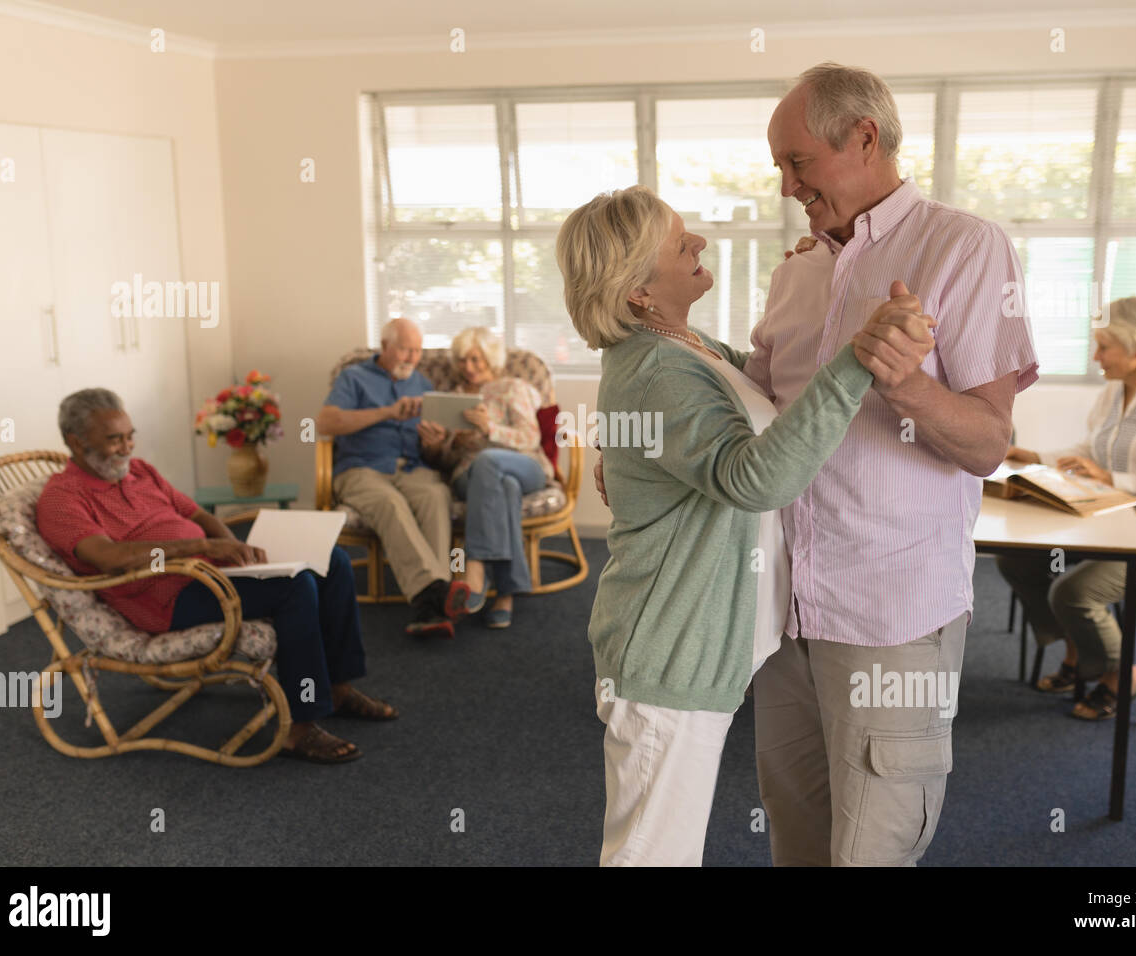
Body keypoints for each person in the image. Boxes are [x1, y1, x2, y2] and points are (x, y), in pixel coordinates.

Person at [596, 62, 1039, 866]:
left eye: (796, 162)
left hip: (889, 616)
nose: (785, 185)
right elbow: (746, 407)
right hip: (782, 616)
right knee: (795, 840)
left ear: (864, 138)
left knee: (872, 850)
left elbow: (987, 442)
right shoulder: (799, 268)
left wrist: (902, 384)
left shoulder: (964, 248)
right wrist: (628, 442)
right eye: (779, 167)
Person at [558, 183, 937, 866]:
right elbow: (755, 477)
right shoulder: (655, 373)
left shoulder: (688, 348)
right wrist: (859, 358)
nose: (699, 241)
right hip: (665, 655)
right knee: (650, 857)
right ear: (638, 291)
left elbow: (772, 395)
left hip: (691, 647)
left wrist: (811, 277)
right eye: (679, 243)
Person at [37, 389, 396, 764]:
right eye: (114, 440)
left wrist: (233, 550)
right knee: (294, 588)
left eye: (130, 435)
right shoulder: (62, 499)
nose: (127, 447)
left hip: (210, 572)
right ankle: (299, 726)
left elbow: (198, 516)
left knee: (332, 560)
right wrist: (205, 550)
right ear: (76, 442)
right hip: (164, 598)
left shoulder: (141, 472)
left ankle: (337, 687)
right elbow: (109, 558)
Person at [996, 296, 1136, 719]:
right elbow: (1090, 452)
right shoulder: (1115, 391)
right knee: (1016, 561)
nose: (1095, 356)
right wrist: (1037, 457)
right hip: (1108, 526)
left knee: (1075, 592)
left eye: (1104, 346)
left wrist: (1113, 480)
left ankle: (1119, 674)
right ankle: (1079, 653)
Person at [317, 317, 470, 637]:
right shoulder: (353, 377)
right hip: (361, 469)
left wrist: (434, 442)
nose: (412, 358)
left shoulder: (423, 384)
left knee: (435, 494)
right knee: (390, 502)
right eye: (404, 349)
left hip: (412, 468)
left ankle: (431, 604)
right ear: (385, 346)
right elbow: (326, 423)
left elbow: (433, 452)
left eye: (417, 351)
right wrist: (387, 412)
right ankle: (436, 592)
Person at [418, 327, 555, 629]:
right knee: (500, 484)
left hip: (525, 465)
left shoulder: (511, 388)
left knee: (488, 459)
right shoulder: (452, 398)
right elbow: (446, 461)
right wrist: (443, 444)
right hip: (472, 476)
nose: (468, 367)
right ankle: (506, 593)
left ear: (491, 359)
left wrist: (490, 429)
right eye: (463, 360)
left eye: (476, 360)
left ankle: (475, 570)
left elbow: (530, 437)